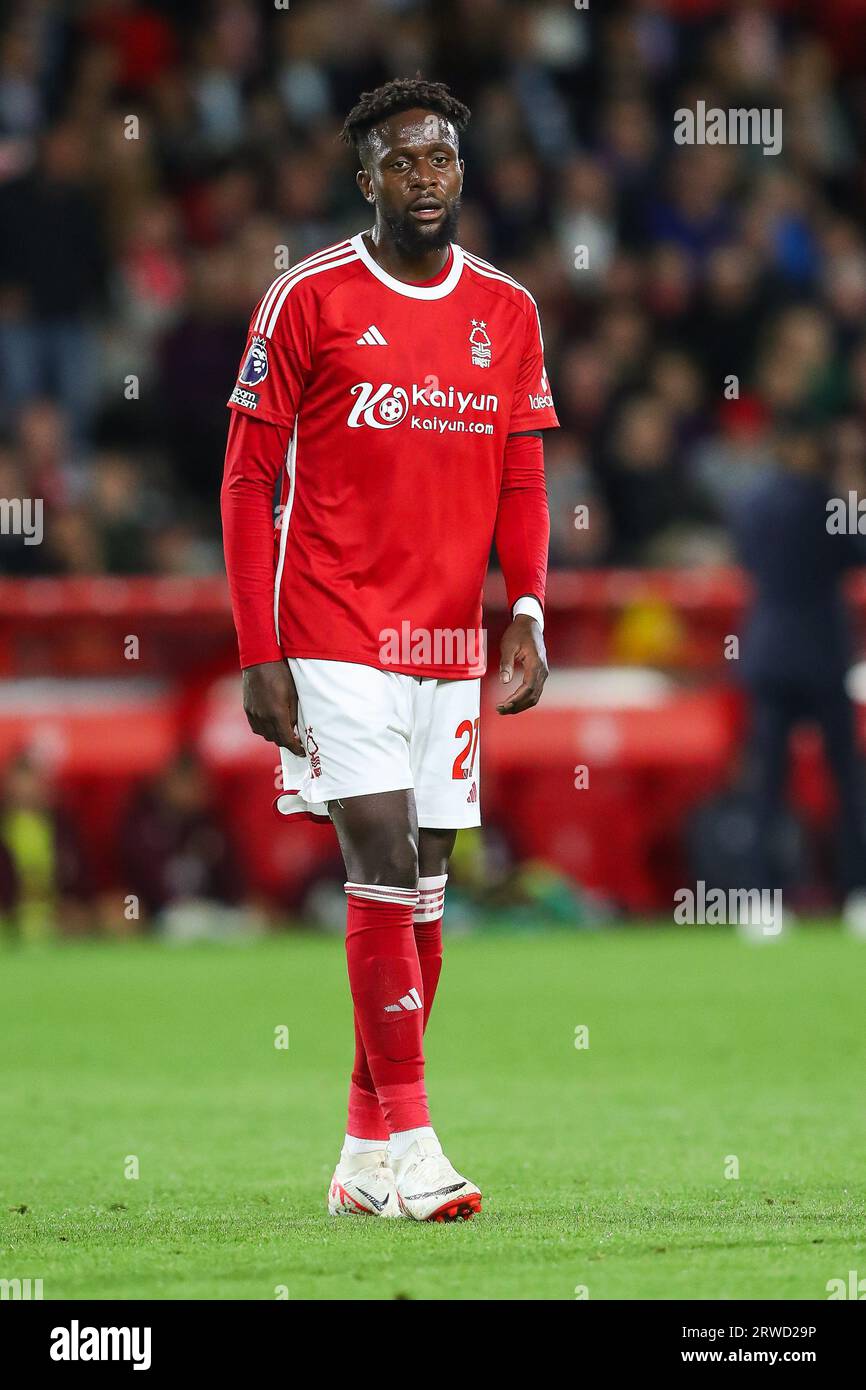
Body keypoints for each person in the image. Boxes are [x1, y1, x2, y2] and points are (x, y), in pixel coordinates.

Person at [220, 78, 558, 1221]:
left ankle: (364, 1151)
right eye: (402, 164)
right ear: (364, 179)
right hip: (330, 627)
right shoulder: (305, 298)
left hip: (445, 640)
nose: (425, 180)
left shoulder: (505, 311)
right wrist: (258, 649)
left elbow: (520, 468)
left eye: (442, 160)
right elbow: (245, 480)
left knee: (426, 888)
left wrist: (528, 610)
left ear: (463, 170)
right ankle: (416, 1145)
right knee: (378, 848)